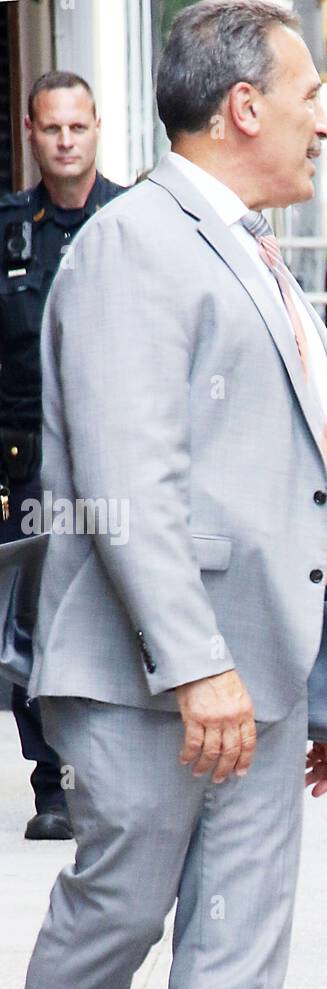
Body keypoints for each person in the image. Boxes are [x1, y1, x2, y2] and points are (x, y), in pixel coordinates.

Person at [0, 0, 327, 989]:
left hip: (263, 668)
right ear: (241, 107)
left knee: (241, 927)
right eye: (307, 97)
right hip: (147, 674)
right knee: (120, 908)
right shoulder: (133, 245)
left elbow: (313, 478)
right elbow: (128, 480)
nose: (324, 119)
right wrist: (199, 665)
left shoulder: (252, 248)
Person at [0, 71, 125, 841]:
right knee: (37, 625)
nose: (66, 141)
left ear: (97, 128)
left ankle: (113, 774)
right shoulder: (9, 231)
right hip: (29, 457)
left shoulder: (136, 221)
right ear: (30, 131)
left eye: (78, 127)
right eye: (52, 129)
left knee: (120, 614)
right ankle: (55, 784)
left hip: (121, 454)